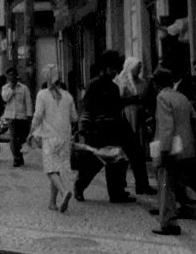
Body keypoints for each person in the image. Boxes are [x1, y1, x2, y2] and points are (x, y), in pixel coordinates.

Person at [74, 50, 133, 203]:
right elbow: (86, 107)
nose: (115, 72)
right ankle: (79, 187)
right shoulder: (94, 85)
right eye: (112, 69)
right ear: (105, 68)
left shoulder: (114, 87)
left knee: (116, 161)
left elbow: (116, 107)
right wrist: (83, 127)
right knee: (93, 163)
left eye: (116, 70)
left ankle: (116, 193)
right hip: (96, 130)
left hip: (113, 129)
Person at [150, 68, 196, 236]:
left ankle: (168, 222)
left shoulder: (162, 97)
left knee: (165, 184)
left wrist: (164, 150)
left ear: (157, 84)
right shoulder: (182, 97)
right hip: (187, 148)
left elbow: (167, 126)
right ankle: (194, 207)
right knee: (180, 181)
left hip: (171, 148)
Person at [29, 64, 78, 212]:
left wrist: (31, 131)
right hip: (65, 137)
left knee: (50, 170)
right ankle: (52, 202)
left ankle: (64, 191)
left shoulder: (42, 94)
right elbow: (75, 117)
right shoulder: (68, 96)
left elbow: (37, 115)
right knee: (56, 169)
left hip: (50, 137)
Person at [115, 56, 156, 195]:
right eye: (137, 67)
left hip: (139, 118)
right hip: (127, 116)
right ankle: (122, 183)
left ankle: (140, 184)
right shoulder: (122, 81)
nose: (140, 69)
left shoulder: (143, 82)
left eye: (141, 67)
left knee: (138, 152)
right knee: (126, 152)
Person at [1, 67, 33, 167]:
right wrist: (11, 88)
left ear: (16, 75)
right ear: (8, 76)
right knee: (13, 138)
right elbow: (5, 99)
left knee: (22, 138)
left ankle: (20, 155)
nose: (12, 77)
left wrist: (29, 114)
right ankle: (16, 158)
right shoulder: (5, 88)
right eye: (9, 75)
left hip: (22, 116)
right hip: (11, 116)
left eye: (13, 74)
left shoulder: (24, 88)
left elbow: (28, 101)